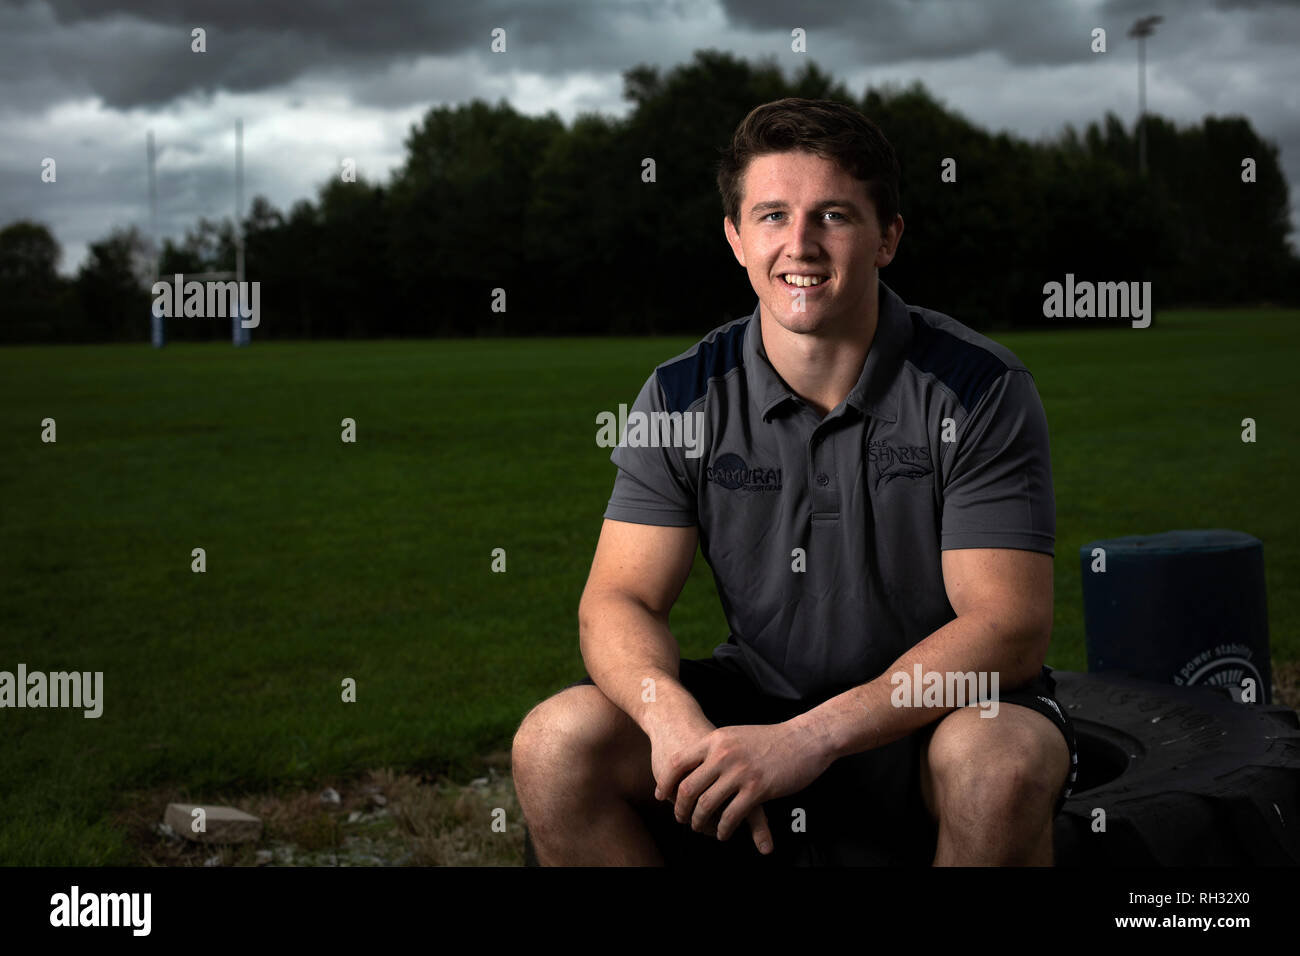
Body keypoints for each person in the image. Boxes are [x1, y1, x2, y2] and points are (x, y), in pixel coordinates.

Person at [512, 97, 1078, 866]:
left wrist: (811, 738)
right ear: (735, 238)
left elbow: (1008, 627)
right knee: (556, 742)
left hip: (934, 718)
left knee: (1001, 765)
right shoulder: (679, 396)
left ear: (888, 238)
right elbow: (619, 600)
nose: (800, 245)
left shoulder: (979, 389)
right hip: (759, 699)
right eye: (773, 216)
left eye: (834, 216)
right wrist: (670, 715)